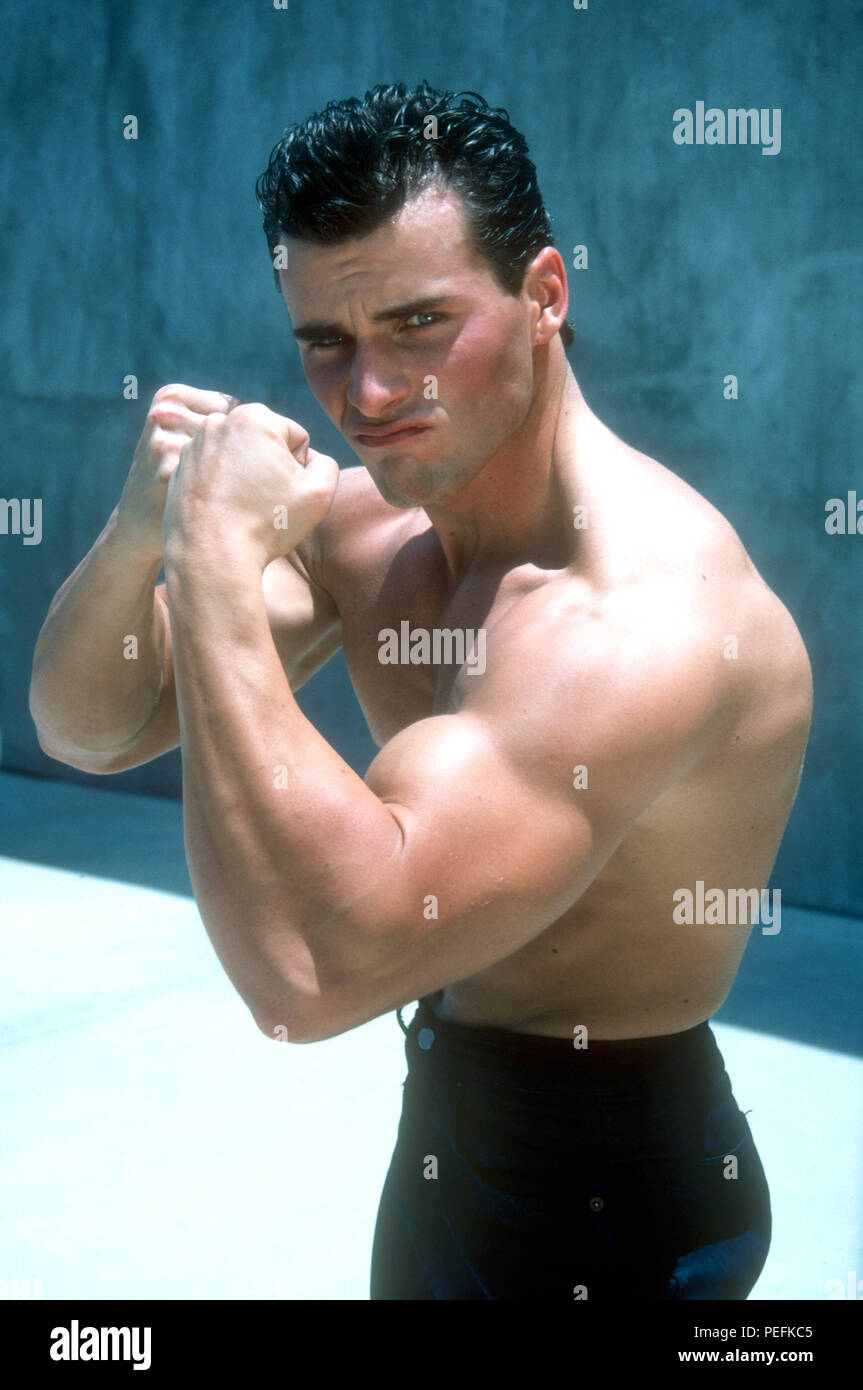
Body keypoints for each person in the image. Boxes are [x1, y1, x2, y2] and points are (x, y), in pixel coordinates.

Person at [30, 81, 812, 1300]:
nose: (369, 394)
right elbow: (89, 723)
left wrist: (216, 570)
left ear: (545, 293)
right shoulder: (378, 537)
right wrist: (147, 536)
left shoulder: (636, 620)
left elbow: (309, 973)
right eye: (326, 342)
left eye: (417, 323)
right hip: (452, 1128)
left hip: (612, 1202)